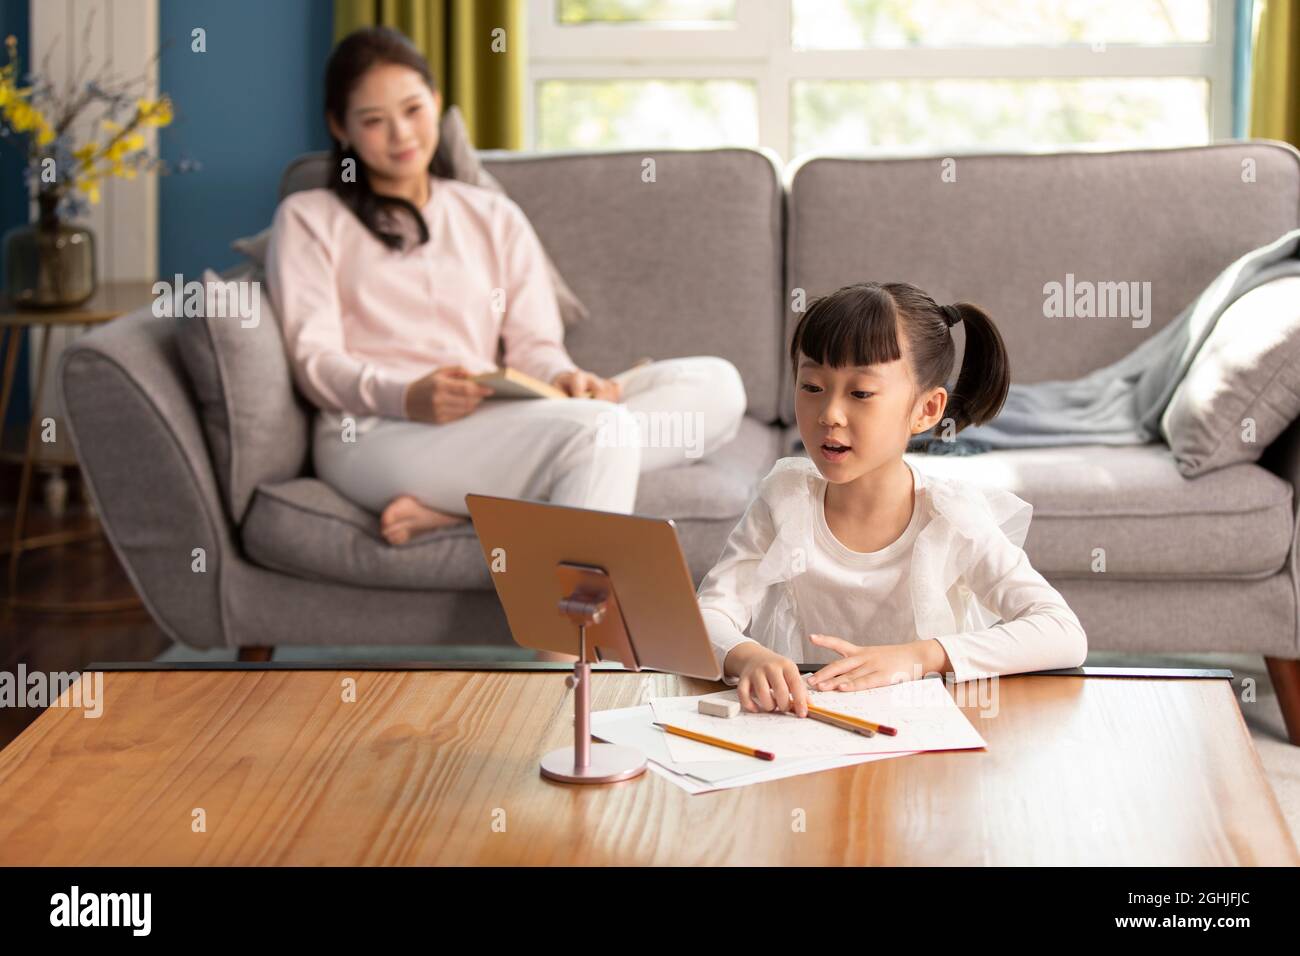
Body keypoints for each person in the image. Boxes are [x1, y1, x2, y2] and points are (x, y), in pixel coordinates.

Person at [266, 26, 747, 546]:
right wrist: (406, 396)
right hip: (376, 432)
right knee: (601, 431)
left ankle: (466, 511)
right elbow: (313, 359)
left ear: (436, 101)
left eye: (412, 110)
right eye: (374, 122)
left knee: (717, 387)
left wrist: (564, 376)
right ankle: (575, 628)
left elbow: (533, 344)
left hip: (499, 419)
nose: (402, 135)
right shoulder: (309, 218)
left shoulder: (491, 214)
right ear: (341, 127)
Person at [696, 281, 1088, 715]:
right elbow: (707, 616)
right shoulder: (784, 498)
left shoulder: (950, 516)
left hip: (922, 731)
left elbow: (1062, 631)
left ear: (927, 410)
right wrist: (746, 654)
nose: (829, 414)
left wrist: (919, 656)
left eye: (860, 393)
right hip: (807, 725)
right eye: (812, 387)